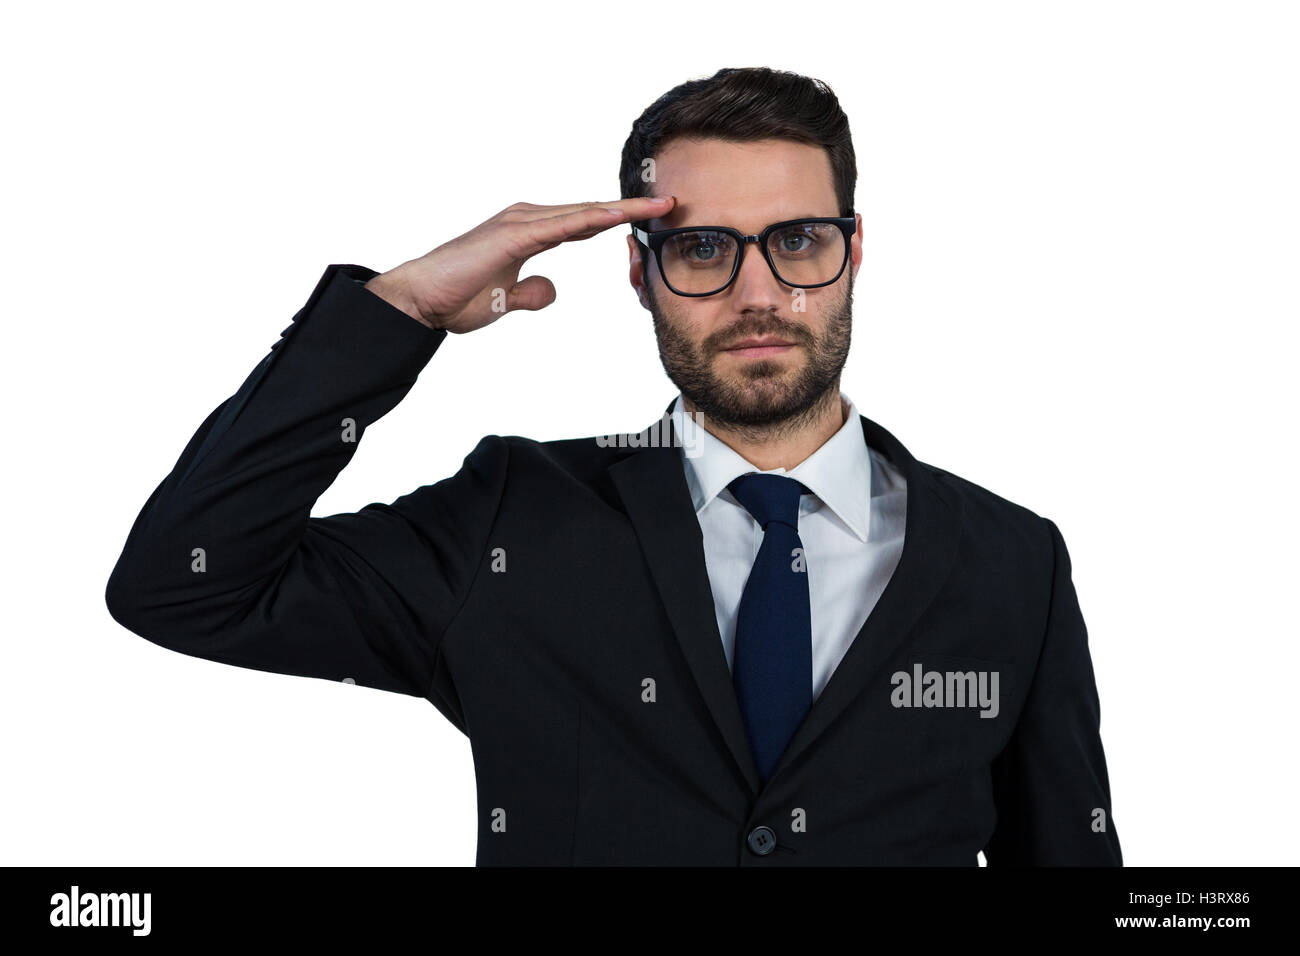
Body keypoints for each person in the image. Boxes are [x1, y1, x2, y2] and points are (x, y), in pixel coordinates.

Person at [105, 66, 1121, 866]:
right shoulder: (510, 521)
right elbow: (183, 583)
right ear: (639, 270)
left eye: (798, 241)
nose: (756, 292)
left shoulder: (1011, 560)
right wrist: (399, 312)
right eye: (703, 248)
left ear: (854, 251)